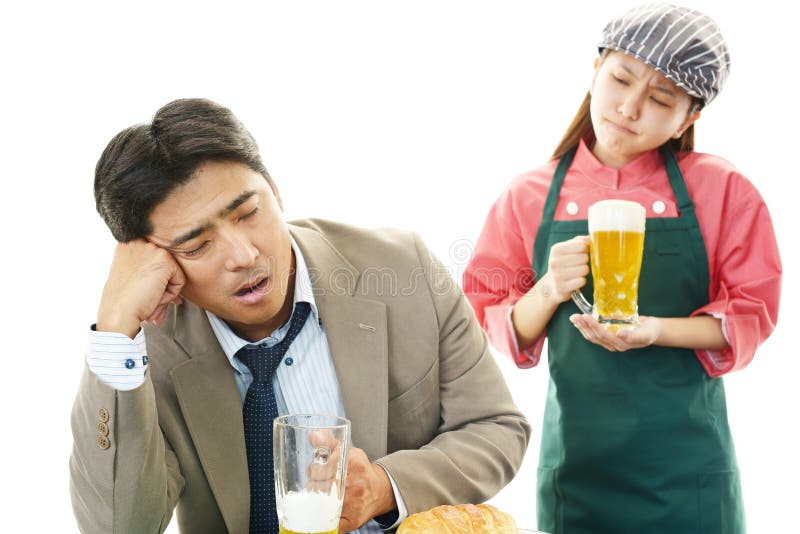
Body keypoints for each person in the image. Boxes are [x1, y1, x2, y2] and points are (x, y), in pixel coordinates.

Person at [69, 98, 531, 534]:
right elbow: (118, 525)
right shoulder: (148, 348)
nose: (244, 255)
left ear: (275, 190)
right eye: (197, 245)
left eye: (248, 212)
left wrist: (384, 487)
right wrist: (114, 330)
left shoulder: (402, 268)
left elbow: (497, 427)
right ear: (154, 259)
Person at [463, 3, 781, 533]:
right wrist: (548, 289)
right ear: (595, 70)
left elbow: (750, 315)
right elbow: (491, 321)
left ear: (690, 117)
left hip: (690, 478)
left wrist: (653, 330)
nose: (629, 108)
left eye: (661, 99)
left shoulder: (722, 190)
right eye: (620, 79)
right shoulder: (527, 196)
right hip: (577, 476)